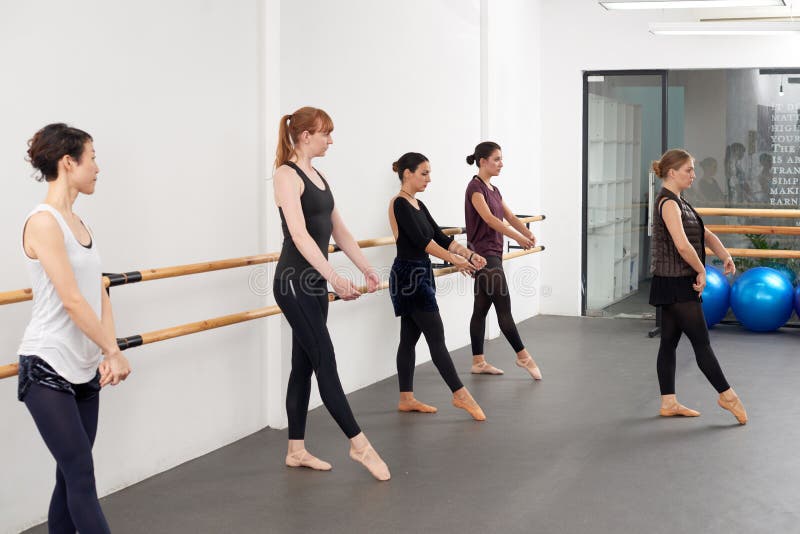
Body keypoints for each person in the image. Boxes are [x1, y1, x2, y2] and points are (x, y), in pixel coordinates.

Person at [18, 123, 132, 533]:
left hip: (84, 368)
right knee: (82, 475)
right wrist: (113, 352)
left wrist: (107, 348)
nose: (98, 167)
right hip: (47, 365)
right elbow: (71, 300)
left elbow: (98, 291)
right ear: (69, 162)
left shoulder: (79, 224)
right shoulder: (43, 222)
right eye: (93, 157)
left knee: (68, 476)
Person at [272, 106, 390, 481]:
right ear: (306, 135)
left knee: (304, 365)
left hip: (313, 282)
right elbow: (299, 234)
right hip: (294, 281)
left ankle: (296, 450)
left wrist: (366, 268)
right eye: (326, 133)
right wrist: (334, 277)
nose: (331, 140)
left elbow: (340, 231)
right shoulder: (285, 176)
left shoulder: (318, 175)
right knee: (325, 360)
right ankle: (360, 446)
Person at [649, 149, 747, 424]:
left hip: (675, 281)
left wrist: (724, 253)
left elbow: (703, 234)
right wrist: (702, 269)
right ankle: (727, 396)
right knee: (701, 342)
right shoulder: (667, 203)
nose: (694, 174)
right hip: (675, 283)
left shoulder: (681, 202)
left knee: (668, 341)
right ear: (672, 173)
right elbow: (681, 245)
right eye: (688, 170)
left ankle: (668, 402)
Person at [388, 152, 488, 420]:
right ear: (407, 173)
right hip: (409, 277)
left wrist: (468, 254)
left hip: (420, 275)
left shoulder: (417, 204)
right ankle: (459, 394)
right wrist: (456, 261)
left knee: (408, 338)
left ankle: (406, 398)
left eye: (429, 173)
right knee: (436, 336)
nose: (429, 179)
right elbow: (424, 242)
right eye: (424, 173)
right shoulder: (399, 204)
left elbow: (439, 236)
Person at [464, 141, 542, 379]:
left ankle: (478, 361)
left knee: (481, 309)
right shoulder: (474, 188)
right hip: (484, 256)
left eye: (501, 158)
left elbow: (508, 215)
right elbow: (490, 220)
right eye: (496, 159)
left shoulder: (494, 190)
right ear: (482, 161)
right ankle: (523, 357)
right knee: (503, 309)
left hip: (492, 253)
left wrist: (526, 231)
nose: (501, 163)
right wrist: (518, 236)